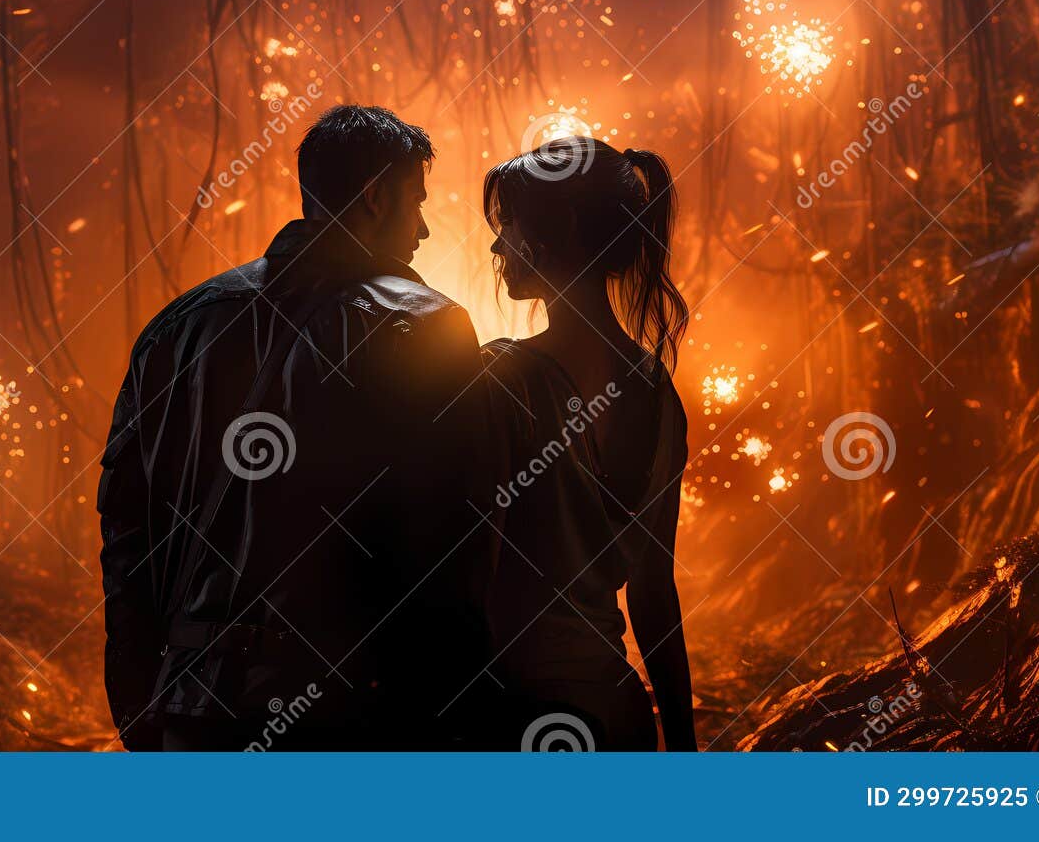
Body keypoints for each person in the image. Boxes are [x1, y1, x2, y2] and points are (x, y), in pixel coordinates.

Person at [96, 105, 491, 751]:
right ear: (374, 198)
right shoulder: (426, 327)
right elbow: (452, 551)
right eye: (415, 202)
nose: (422, 228)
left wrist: (143, 701)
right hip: (349, 717)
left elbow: (127, 534)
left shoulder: (177, 328)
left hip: (193, 710)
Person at [480, 136, 697, 751]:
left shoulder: (503, 382)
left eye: (510, 225)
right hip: (616, 714)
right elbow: (655, 596)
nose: (498, 245)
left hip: (512, 715)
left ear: (563, 228)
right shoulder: (660, 396)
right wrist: (682, 745)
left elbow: (459, 574)